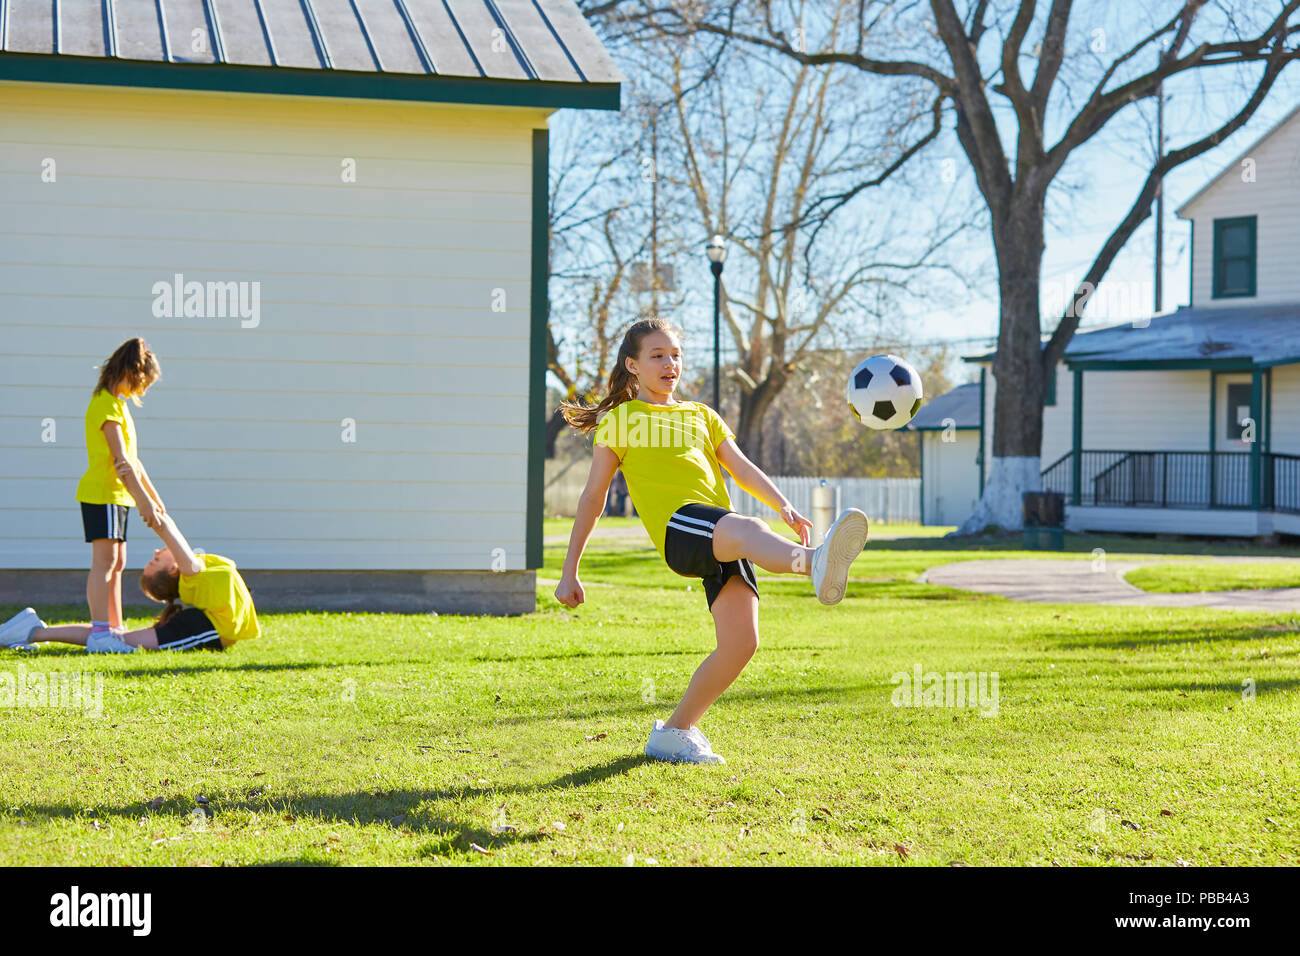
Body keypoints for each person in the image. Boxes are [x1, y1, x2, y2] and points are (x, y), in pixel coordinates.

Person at [555, 317, 868, 764]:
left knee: (741, 643)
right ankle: (816, 562)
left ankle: (674, 732)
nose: (669, 363)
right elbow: (592, 497)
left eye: (676, 355)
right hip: (681, 529)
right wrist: (570, 572)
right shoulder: (621, 420)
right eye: (657, 355)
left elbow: (741, 467)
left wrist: (784, 505)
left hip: (719, 529)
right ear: (633, 365)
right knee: (750, 530)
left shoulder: (702, 415)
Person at [0, 511, 260, 654]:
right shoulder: (193, 573)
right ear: (172, 570)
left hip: (204, 625)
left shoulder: (196, 571)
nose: (156, 553)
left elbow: (165, 521)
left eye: (153, 559)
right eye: (156, 560)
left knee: (114, 637)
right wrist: (137, 482)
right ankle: (32, 632)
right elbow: (164, 524)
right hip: (205, 629)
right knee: (116, 641)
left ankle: (33, 631)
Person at [74, 338, 166, 647]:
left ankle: (115, 628)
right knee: (105, 562)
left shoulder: (119, 406)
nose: (143, 391)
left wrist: (154, 500)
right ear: (134, 372)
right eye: (145, 383)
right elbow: (121, 462)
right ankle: (100, 632)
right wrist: (144, 504)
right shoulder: (105, 405)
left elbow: (135, 463)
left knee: (118, 562)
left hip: (118, 496)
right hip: (103, 493)